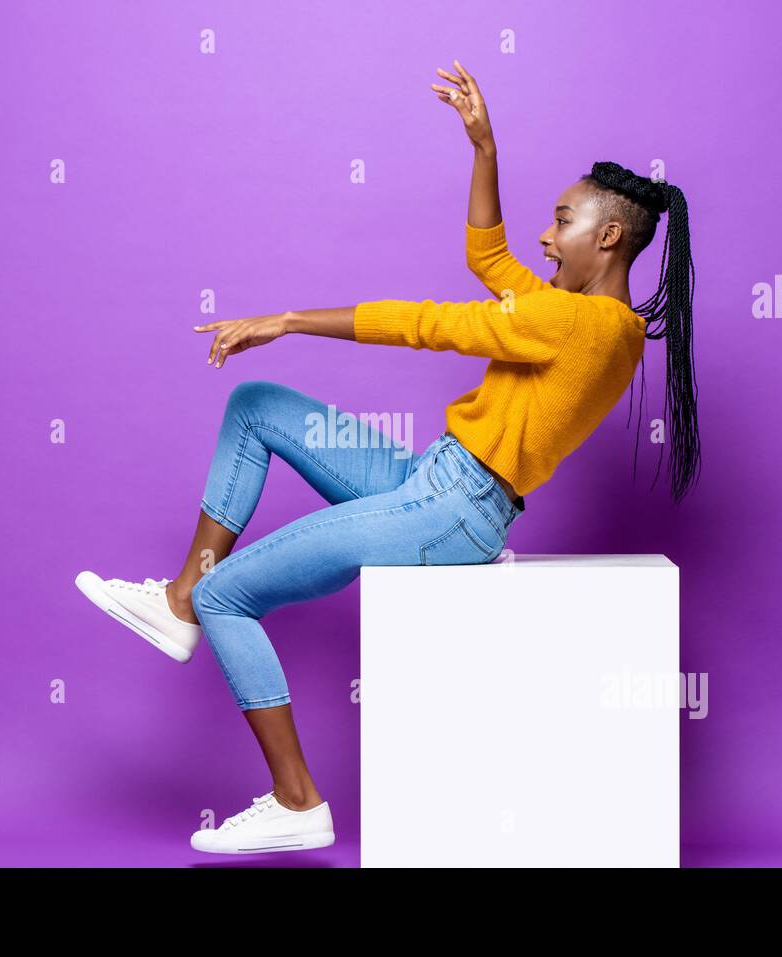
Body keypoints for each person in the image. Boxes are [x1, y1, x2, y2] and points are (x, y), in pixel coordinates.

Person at [75, 59, 700, 855]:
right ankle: (177, 600)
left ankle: (295, 796)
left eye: (563, 219)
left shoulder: (586, 326)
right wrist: (484, 148)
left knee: (231, 597)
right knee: (257, 406)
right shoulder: (581, 316)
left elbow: (434, 321)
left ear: (608, 235)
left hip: (453, 508)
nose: (547, 234)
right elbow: (491, 263)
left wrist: (292, 316)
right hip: (436, 478)